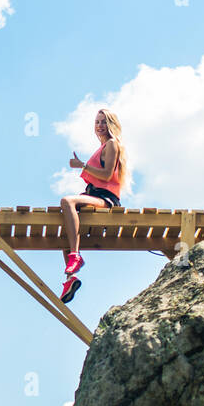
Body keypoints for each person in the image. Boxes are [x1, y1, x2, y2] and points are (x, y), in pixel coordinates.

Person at [59, 109, 128, 303]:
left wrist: (82, 165)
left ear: (111, 125)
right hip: (94, 195)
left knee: (67, 201)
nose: (99, 125)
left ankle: (75, 255)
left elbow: (106, 175)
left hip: (106, 198)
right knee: (64, 222)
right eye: (97, 122)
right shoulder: (103, 146)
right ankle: (70, 278)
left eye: (104, 122)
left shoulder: (113, 144)